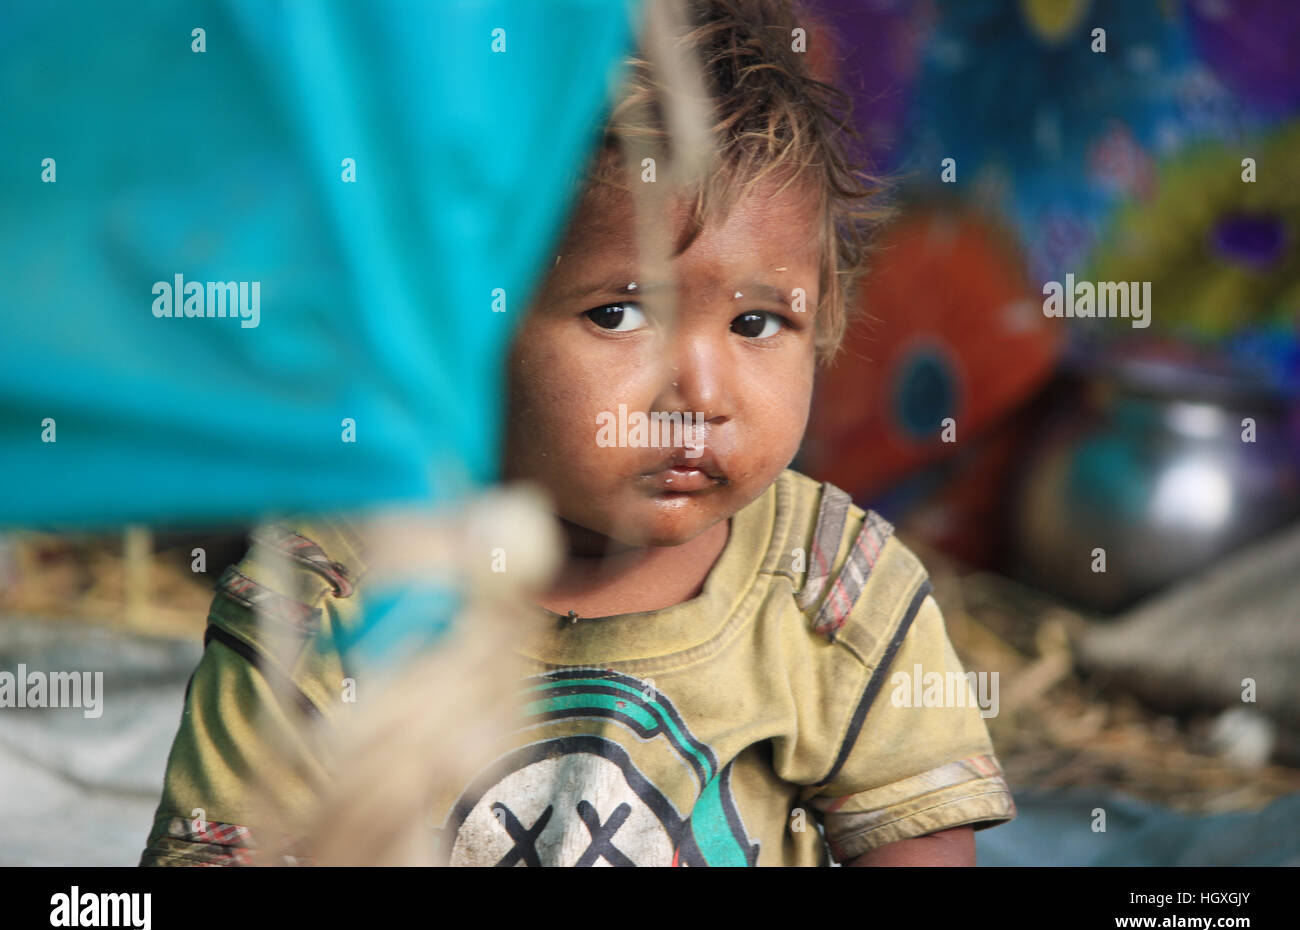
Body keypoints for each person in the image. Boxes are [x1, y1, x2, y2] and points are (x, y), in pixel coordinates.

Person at [140, 0, 1015, 867]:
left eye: (756, 324)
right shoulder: (334, 595)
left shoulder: (834, 592)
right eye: (619, 313)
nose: (701, 393)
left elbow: (920, 842)